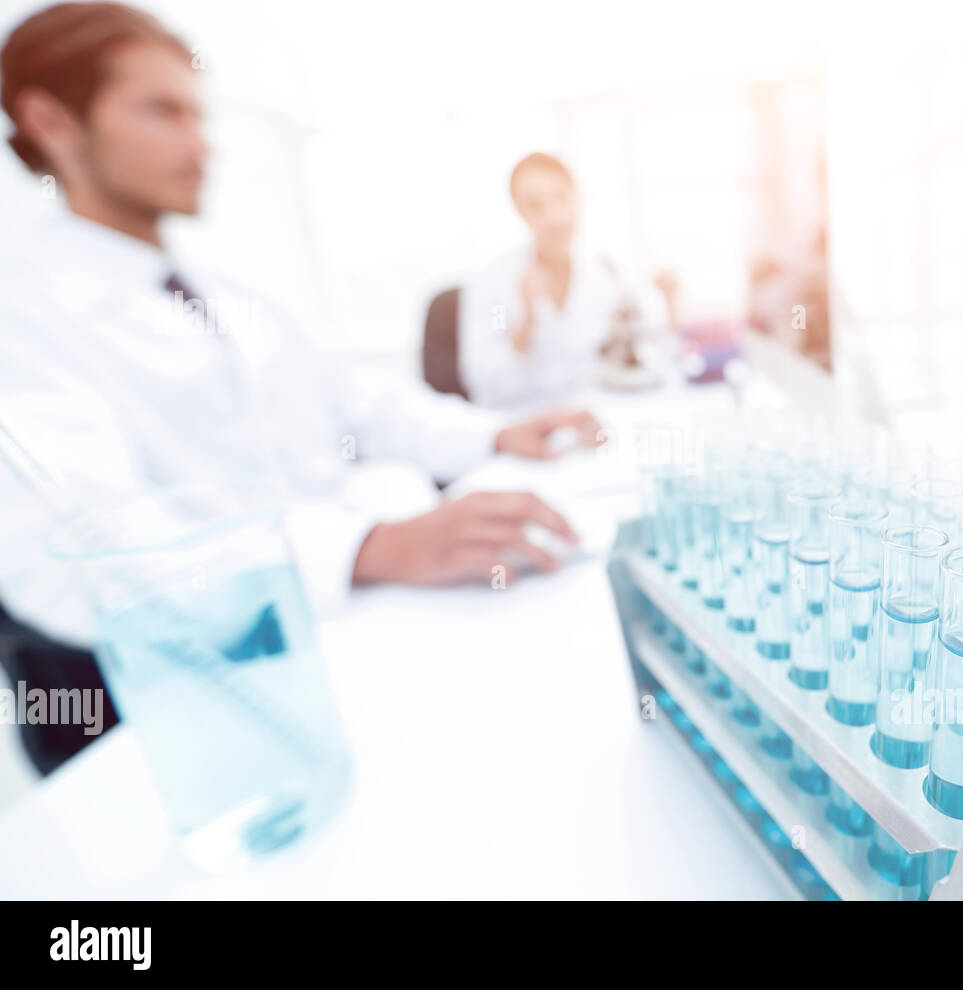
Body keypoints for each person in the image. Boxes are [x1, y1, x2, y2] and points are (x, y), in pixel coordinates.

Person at [0, 2, 605, 769]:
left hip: (350, 632)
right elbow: (85, 558)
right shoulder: (21, 318)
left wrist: (492, 435)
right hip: (211, 712)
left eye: (199, 115)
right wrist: (370, 547)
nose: (201, 144)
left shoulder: (223, 290)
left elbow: (362, 404)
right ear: (52, 121)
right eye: (164, 112)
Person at [458, 152, 676, 409]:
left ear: (576, 196)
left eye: (560, 197)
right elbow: (484, 380)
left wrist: (670, 299)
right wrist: (526, 322)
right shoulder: (495, 286)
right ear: (520, 211)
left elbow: (658, 342)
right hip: (522, 422)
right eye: (535, 205)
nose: (554, 216)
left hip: (591, 420)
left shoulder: (609, 273)